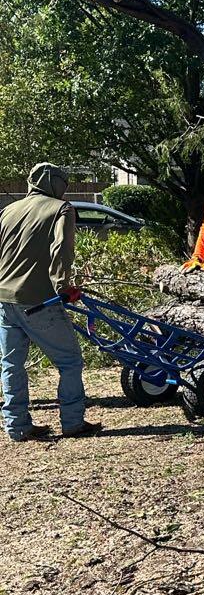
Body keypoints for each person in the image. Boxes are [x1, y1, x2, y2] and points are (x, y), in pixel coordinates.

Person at [0, 163, 100, 441]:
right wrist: (64, 287)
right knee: (69, 361)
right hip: (38, 301)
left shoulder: (8, 210)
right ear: (55, 183)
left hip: (5, 300)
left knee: (11, 365)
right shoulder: (61, 209)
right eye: (64, 183)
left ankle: (17, 426)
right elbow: (61, 250)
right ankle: (72, 422)